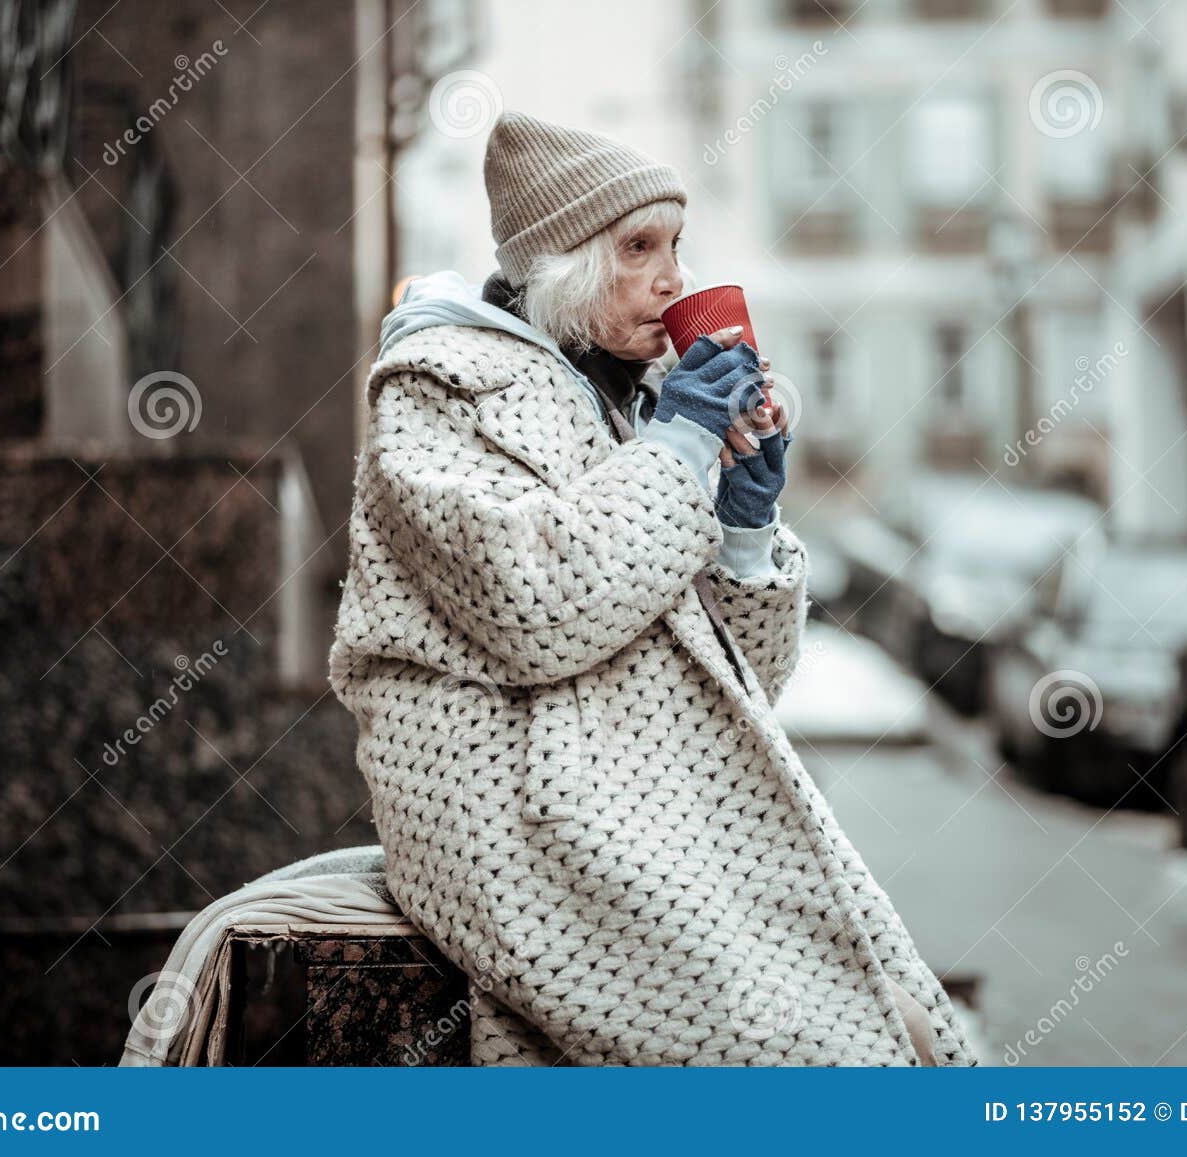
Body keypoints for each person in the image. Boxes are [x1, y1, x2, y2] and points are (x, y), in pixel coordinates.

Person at [328, 110, 979, 1066]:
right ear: (564, 264)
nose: (675, 278)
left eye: (676, 245)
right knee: (785, 1045)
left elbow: (739, 685)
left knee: (902, 1025)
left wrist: (747, 531)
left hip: (660, 806)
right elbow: (537, 605)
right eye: (640, 248)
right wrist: (678, 451)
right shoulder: (437, 389)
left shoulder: (627, 405)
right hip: (521, 813)